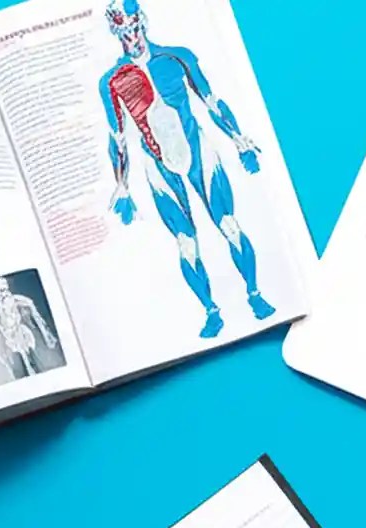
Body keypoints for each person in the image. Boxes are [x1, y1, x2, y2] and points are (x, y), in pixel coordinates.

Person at [99, 0, 274, 339]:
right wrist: (122, 186)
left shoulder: (178, 57)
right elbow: (117, 140)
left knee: (229, 224)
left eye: (134, 25)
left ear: (142, 21)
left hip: (197, 150)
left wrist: (240, 141)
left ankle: (254, 295)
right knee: (186, 243)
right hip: (158, 164)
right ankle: (211, 312)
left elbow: (212, 102)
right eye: (124, 29)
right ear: (115, 31)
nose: (132, 35)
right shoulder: (112, 80)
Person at [0, 277, 57, 379]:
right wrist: (0, 327)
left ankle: (35, 374)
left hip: (19, 332)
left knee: (27, 354)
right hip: (8, 334)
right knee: (14, 358)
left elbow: (28, 302)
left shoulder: (14, 299)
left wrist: (29, 308)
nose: (1, 294)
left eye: (3, 290)